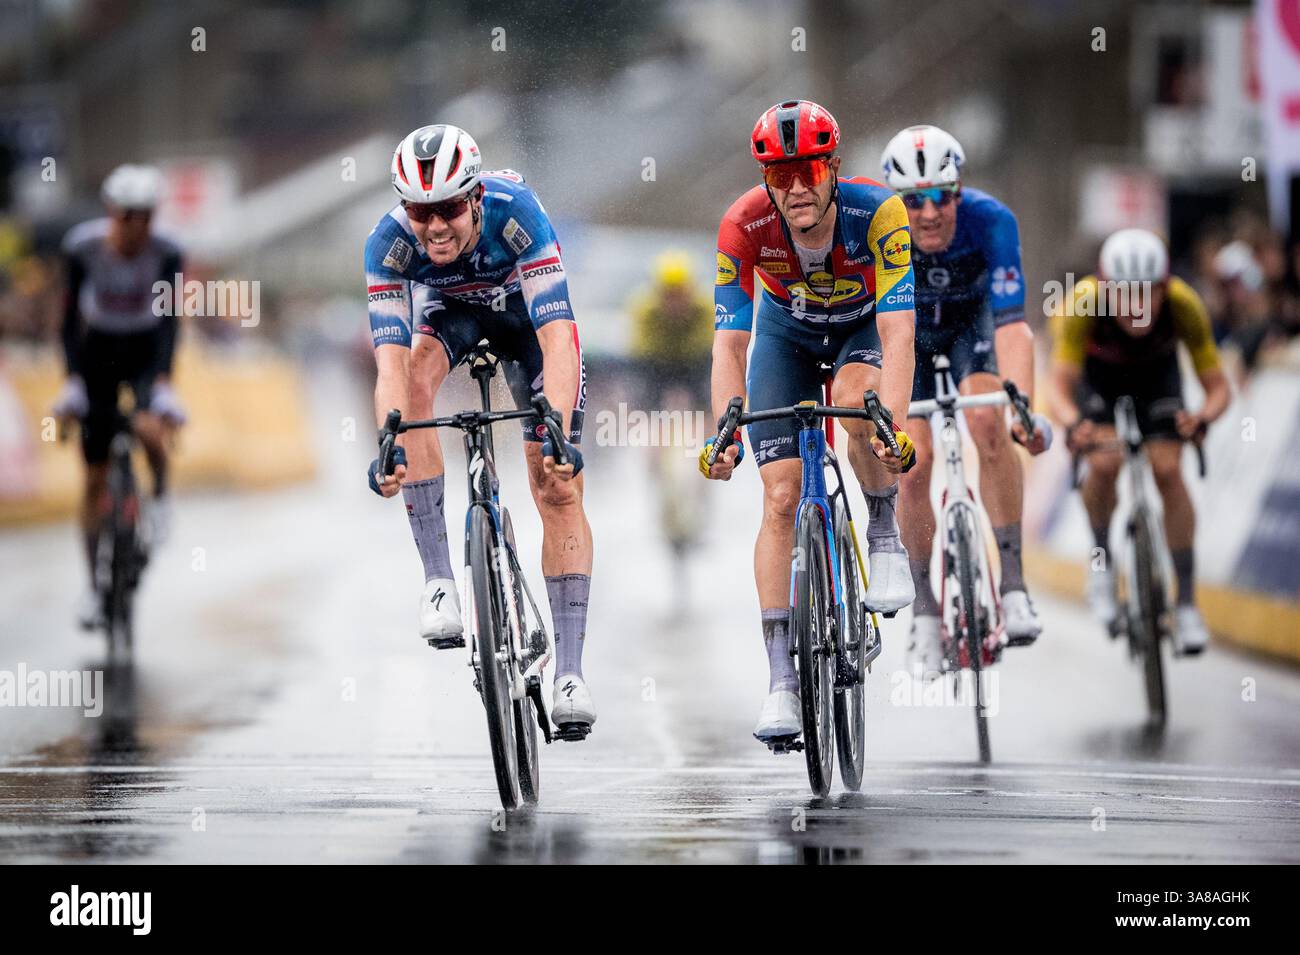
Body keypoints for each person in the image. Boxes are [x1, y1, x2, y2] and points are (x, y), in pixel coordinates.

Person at [363, 124, 596, 734]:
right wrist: (388, 440)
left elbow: (557, 336)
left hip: (526, 326)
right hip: (453, 316)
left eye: (446, 210)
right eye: (420, 212)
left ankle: (569, 671)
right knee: (413, 386)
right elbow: (388, 363)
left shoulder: (517, 215)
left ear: (473, 199)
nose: (435, 226)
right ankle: (440, 581)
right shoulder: (387, 243)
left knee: (555, 484)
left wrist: (560, 428)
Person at [701, 100, 918, 742]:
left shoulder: (878, 212)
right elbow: (730, 345)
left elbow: (899, 330)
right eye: (781, 175)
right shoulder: (742, 225)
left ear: (833, 167)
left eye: (809, 170)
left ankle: (882, 534)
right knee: (779, 496)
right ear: (767, 180)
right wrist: (723, 432)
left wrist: (895, 427)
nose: (796, 187)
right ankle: (781, 683)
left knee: (859, 408)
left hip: (859, 334)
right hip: (784, 339)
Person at [879, 125, 1051, 674]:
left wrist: (1020, 404)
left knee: (990, 427)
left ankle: (1015, 585)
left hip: (971, 331)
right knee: (913, 464)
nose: (929, 213)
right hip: (910, 340)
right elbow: (878, 329)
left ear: (959, 192)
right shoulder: (877, 232)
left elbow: (1013, 328)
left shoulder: (992, 220)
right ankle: (926, 615)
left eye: (941, 196)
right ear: (894, 201)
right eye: (913, 200)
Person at [1047, 228, 1229, 654]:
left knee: (1168, 469)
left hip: (1157, 380)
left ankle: (1185, 602)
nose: (1136, 307)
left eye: (1148, 294)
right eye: (1124, 294)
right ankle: (1102, 563)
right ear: (1105, 288)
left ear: (1166, 288)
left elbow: (1219, 388)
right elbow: (1057, 385)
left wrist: (1204, 417)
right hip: (1098, 384)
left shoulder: (1185, 304)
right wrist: (1074, 423)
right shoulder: (1082, 304)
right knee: (1104, 464)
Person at [52, 164, 187, 628]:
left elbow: (170, 320)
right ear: (111, 212)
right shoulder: (82, 247)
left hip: (145, 352)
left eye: (146, 217)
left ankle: (163, 498)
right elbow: (68, 319)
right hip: (98, 354)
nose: (137, 227)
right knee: (92, 478)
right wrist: (71, 378)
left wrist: (166, 381)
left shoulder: (168, 251)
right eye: (128, 216)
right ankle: (93, 589)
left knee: (150, 426)